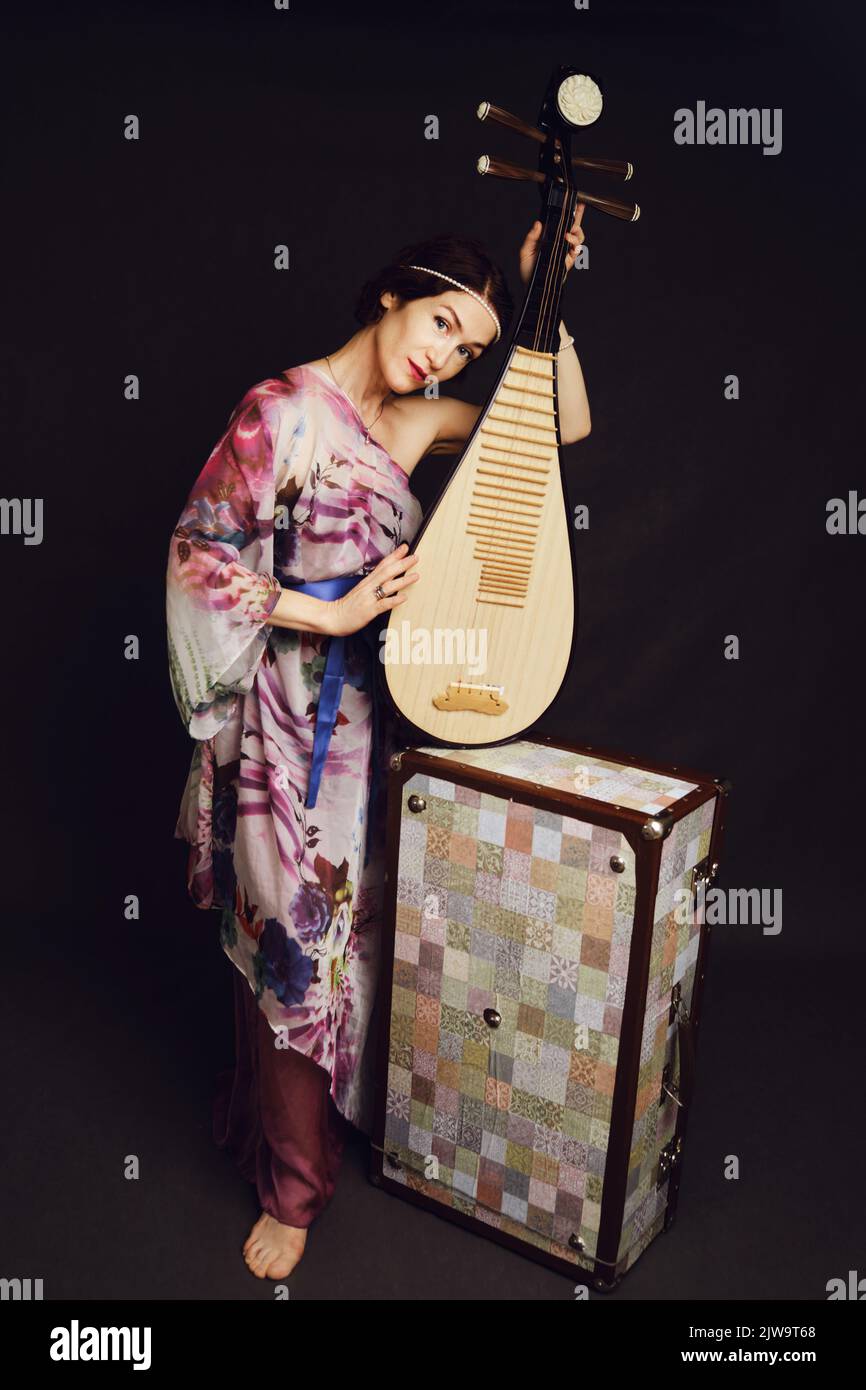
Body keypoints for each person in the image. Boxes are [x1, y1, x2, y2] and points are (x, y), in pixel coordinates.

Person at [166, 218, 590, 1282]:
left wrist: (545, 302)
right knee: (288, 945)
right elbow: (196, 558)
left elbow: (563, 428)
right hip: (277, 720)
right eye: (440, 322)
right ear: (391, 293)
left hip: (364, 725)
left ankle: (278, 1128)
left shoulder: (415, 421)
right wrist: (336, 611)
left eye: (464, 350)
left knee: (336, 939)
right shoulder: (284, 410)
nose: (443, 357)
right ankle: (294, 1190)